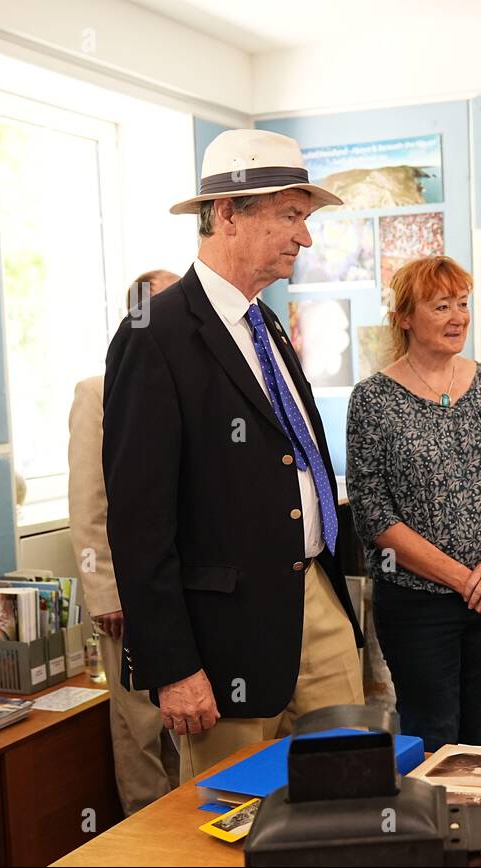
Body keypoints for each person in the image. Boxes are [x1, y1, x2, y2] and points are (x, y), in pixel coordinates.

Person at [102, 129, 364, 782]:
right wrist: (174, 667)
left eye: (304, 219)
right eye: (291, 216)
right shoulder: (154, 335)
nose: (304, 237)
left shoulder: (266, 324)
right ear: (226, 214)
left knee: (348, 794)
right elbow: (139, 525)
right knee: (235, 823)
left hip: (317, 601)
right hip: (227, 639)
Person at [346, 256, 481, 752]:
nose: (459, 317)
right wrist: (464, 580)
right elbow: (374, 516)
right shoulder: (373, 399)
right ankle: (430, 830)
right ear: (405, 317)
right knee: (431, 740)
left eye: (463, 304)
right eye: (441, 306)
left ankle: (479, 829)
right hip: (416, 605)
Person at [69, 269, 180, 813]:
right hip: (125, 594)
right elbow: (89, 502)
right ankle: (146, 832)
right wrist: (106, 592)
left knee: (187, 719)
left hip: (183, 586)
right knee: (139, 722)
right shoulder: (97, 392)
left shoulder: (189, 383)